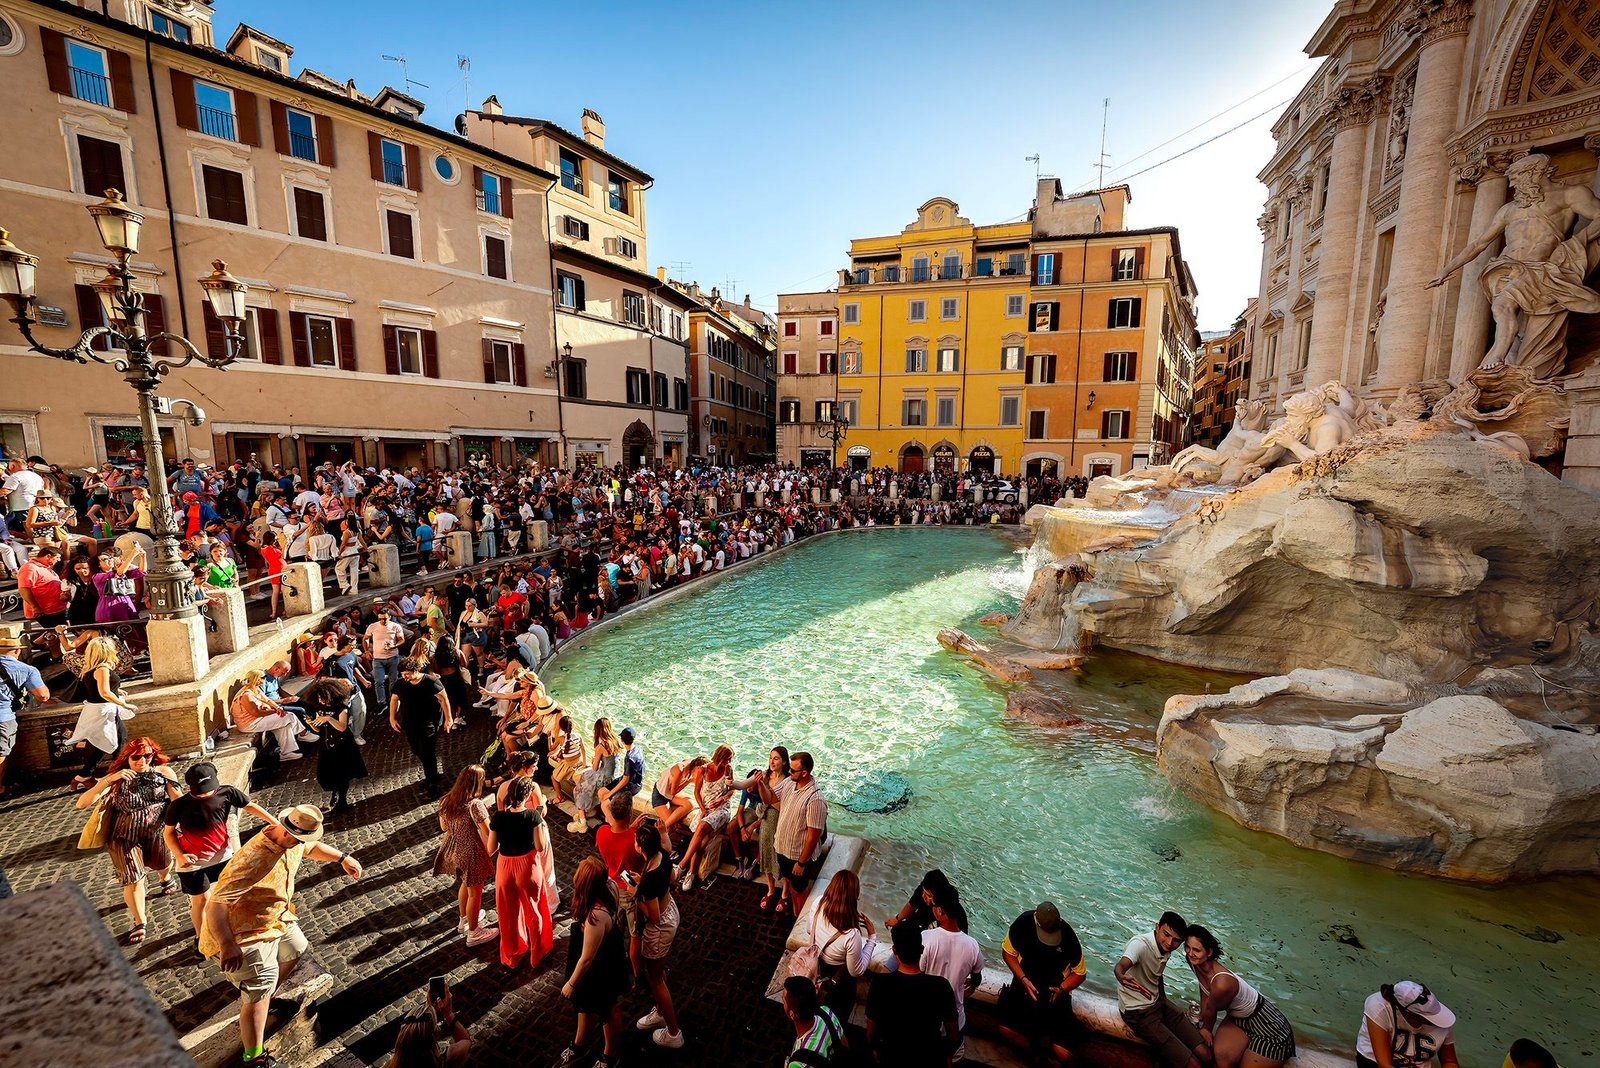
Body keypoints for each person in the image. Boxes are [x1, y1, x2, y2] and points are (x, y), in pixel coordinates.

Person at [203, 804, 362, 1068]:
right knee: (259, 988)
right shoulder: (253, 859)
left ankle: (269, 996)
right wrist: (227, 944)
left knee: (296, 950)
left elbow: (310, 848)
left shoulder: (293, 840)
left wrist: (342, 858)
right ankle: (254, 1057)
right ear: (289, 833)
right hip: (245, 931)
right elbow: (216, 904)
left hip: (275, 918)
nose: (304, 844)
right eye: (300, 839)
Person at [75, 737, 182, 943]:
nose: (142, 761)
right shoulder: (117, 779)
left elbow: (178, 801)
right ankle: (139, 921)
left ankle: (164, 878)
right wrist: (109, 779)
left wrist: (183, 824)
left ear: (153, 756)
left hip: (156, 832)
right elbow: (82, 804)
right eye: (136, 757)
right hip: (124, 836)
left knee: (163, 863)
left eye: (147, 756)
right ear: (127, 758)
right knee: (132, 879)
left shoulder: (164, 773)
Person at [162, 762, 279, 947]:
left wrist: (274, 823)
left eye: (208, 789)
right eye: (200, 790)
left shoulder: (228, 792)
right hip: (192, 863)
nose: (205, 794)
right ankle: (201, 939)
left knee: (231, 896)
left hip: (223, 856)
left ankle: (234, 929)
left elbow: (250, 806)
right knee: (201, 900)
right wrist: (180, 855)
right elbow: (167, 833)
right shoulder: (178, 806)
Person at [1183, 925, 1295, 1068]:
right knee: (1222, 1058)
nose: (1190, 953)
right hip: (1238, 1020)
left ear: (1209, 952)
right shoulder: (1194, 962)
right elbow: (1204, 990)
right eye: (1188, 947)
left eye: (1196, 950)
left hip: (1268, 1026)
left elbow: (1211, 1009)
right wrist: (1200, 1017)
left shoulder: (1222, 983)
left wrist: (1206, 1028)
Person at [558, 856, 630, 1068]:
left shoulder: (596, 916)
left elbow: (587, 957)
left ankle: (609, 1054)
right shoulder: (609, 888)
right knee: (585, 1003)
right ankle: (580, 1042)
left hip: (601, 966)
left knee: (607, 1007)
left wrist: (571, 983)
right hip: (600, 958)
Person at [1118, 912, 1212, 1068]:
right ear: (1157, 927)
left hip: (1158, 1003)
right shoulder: (1140, 944)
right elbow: (1122, 964)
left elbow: (1157, 974)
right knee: (1194, 1065)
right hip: (1138, 1012)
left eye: (1176, 940)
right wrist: (1120, 975)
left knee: (1206, 1054)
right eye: (1166, 934)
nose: (1169, 943)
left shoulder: (1164, 948)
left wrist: (1164, 999)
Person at [997, 901, 1084, 1065]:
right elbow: (1008, 953)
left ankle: (1045, 1053)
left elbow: (1079, 973)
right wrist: (1023, 979)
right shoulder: (1023, 923)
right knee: (1006, 1029)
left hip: (1055, 992)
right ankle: (1036, 1054)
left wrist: (1061, 989)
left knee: (1063, 1053)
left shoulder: (1068, 936)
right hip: (1025, 984)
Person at [865, 921, 959, 1067]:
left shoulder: (880, 984)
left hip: (891, 1056)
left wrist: (875, 1050)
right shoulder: (941, 986)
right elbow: (953, 1035)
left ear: (894, 950)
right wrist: (946, 1056)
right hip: (928, 1058)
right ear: (922, 949)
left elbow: (870, 1031)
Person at [631, 819, 684, 1049]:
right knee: (659, 973)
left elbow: (652, 916)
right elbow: (671, 873)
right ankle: (661, 1011)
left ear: (641, 848)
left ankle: (673, 1032)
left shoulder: (649, 879)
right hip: (670, 910)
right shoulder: (661, 855)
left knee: (655, 978)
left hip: (659, 926)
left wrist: (635, 893)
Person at [434, 764, 498, 947]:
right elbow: (489, 830)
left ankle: (464, 920)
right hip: (471, 852)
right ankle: (474, 932)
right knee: (475, 893)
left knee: (465, 883)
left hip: (453, 849)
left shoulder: (446, 800)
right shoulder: (475, 805)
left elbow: (444, 827)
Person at [66, 635, 140, 789]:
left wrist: (118, 690)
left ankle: (84, 775)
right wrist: (125, 704)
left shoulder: (91, 668)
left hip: (99, 709)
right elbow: (105, 692)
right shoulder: (102, 669)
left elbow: (100, 689)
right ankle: (120, 776)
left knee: (105, 741)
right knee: (118, 739)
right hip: (104, 710)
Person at [809, 869, 878, 1023]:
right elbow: (856, 971)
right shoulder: (851, 934)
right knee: (837, 1017)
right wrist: (872, 938)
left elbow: (809, 930)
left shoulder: (818, 903)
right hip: (838, 979)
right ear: (854, 897)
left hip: (816, 964)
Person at [678, 744, 749, 889]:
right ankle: (690, 874)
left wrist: (722, 799)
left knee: (702, 827)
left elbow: (732, 791)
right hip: (707, 809)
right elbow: (696, 793)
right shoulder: (702, 770)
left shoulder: (728, 770)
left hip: (722, 809)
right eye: (728, 759)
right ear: (721, 757)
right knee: (701, 842)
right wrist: (703, 809)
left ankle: (682, 865)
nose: (729, 763)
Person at [766, 750, 828, 914]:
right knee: (793, 887)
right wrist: (759, 784)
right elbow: (770, 798)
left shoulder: (815, 799)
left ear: (804, 773)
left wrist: (801, 863)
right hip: (784, 850)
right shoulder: (789, 783)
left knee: (800, 890)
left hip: (798, 858)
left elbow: (813, 836)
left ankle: (802, 919)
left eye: (793, 770)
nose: (789, 772)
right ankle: (795, 912)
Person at [922, 896, 984, 1048]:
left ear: (940, 911)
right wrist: (969, 989)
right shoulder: (972, 945)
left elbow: (917, 973)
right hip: (957, 1020)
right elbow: (977, 977)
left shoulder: (926, 937)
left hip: (927, 1018)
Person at [1355, 981, 1461, 1068]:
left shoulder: (1443, 1018)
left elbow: (1449, 1061)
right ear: (1408, 1014)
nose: (1432, 1023)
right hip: (1374, 1062)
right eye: (1426, 1019)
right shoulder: (1379, 1006)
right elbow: (1385, 1064)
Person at [301, 677, 368, 814]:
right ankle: (335, 793)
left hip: (343, 744)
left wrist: (329, 718)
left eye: (323, 698)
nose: (321, 701)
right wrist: (311, 724)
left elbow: (342, 727)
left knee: (342, 774)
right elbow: (319, 729)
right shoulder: (320, 708)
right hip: (327, 744)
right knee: (327, 772)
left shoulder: (341, 708)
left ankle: (342, 801)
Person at [390, 656, 453, 798]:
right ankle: (433, 774)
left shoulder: (431, 682)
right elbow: (394, 699)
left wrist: (448, 719)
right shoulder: (400, 683)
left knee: (427, 753)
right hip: (409, 723)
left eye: (407, 674)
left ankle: (433, 786)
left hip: (429, 724)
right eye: (402, 674)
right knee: (416, 749)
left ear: (415, 670)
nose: (405, 677)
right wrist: (392, 718)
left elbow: (444, 699)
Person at [231, 671, 305, 763]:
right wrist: (275, 711)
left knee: (284, 724)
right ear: (256, 679)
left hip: (257, 719)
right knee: (289, 716)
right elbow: (256, 713)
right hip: (249, 724)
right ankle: (302, 733)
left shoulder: (255, 689)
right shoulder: (246, 695)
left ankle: (286, 753)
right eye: (262, 678)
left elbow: (268, 700)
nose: (264, 680)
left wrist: (278, 708)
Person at [384, 990, 471, 1068]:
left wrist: (430, 1010)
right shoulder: (448, 1058)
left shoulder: (389, 1065)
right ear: (436, 1033)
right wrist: (448, 1014)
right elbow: (465, 1040)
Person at [569, 717, 623, 832]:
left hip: (604, 778)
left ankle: (582, 822)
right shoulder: (617, 740)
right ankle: (588, 809)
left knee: (577, 786)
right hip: (615, 777)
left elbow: (594, 767)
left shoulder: (601, 746)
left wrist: (593, 760)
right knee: (581, 782)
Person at [782, 975, 847, 1068]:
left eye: (784, 1001)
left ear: (792, 1014)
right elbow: (844, 1044)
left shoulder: (798, 1064)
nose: (783, 1004)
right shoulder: (826, 1012)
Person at [753, 746, 790, 910]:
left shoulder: (788, 779)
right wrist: (732, 785)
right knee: (767, 853)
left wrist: (770, 800)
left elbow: (785, 807)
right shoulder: (766, 776)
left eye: (776, 758)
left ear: (784, 761)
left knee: (782, 858)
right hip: (766, 821)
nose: (772, 761)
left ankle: (785, 894)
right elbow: (752, 788)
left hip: (780, 822)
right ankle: (770, 889)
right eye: (770, 758)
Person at [366, 600, 408, 711]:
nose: (382, 621)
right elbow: (365, 638)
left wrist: (394, 645)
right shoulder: (372, 626)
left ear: (389, 617)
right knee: (379, 681)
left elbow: (402, 640)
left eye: (384, 619)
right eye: (380, 619)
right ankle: (382, 703)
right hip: (378, 658)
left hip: (393, 657)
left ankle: (392, 701)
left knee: (393, 680)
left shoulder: (395, 626)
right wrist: (367, 651)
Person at [887, 869, 957, 932]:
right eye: (923, 892)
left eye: (928, 895)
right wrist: (897, 919)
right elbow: (912, 905)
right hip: (922, 917)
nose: (923, 896)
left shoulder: (949, 903)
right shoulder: (925, 888)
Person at [596, 727, 644, 809]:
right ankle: (607, 817)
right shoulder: (638, 748)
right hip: (634, 781)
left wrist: (609, 794)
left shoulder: (629, 758)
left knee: (605, 803)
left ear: (622, 740)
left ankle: (610, 819)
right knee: (601, 792)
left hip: (632, 785)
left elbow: (625, 780)